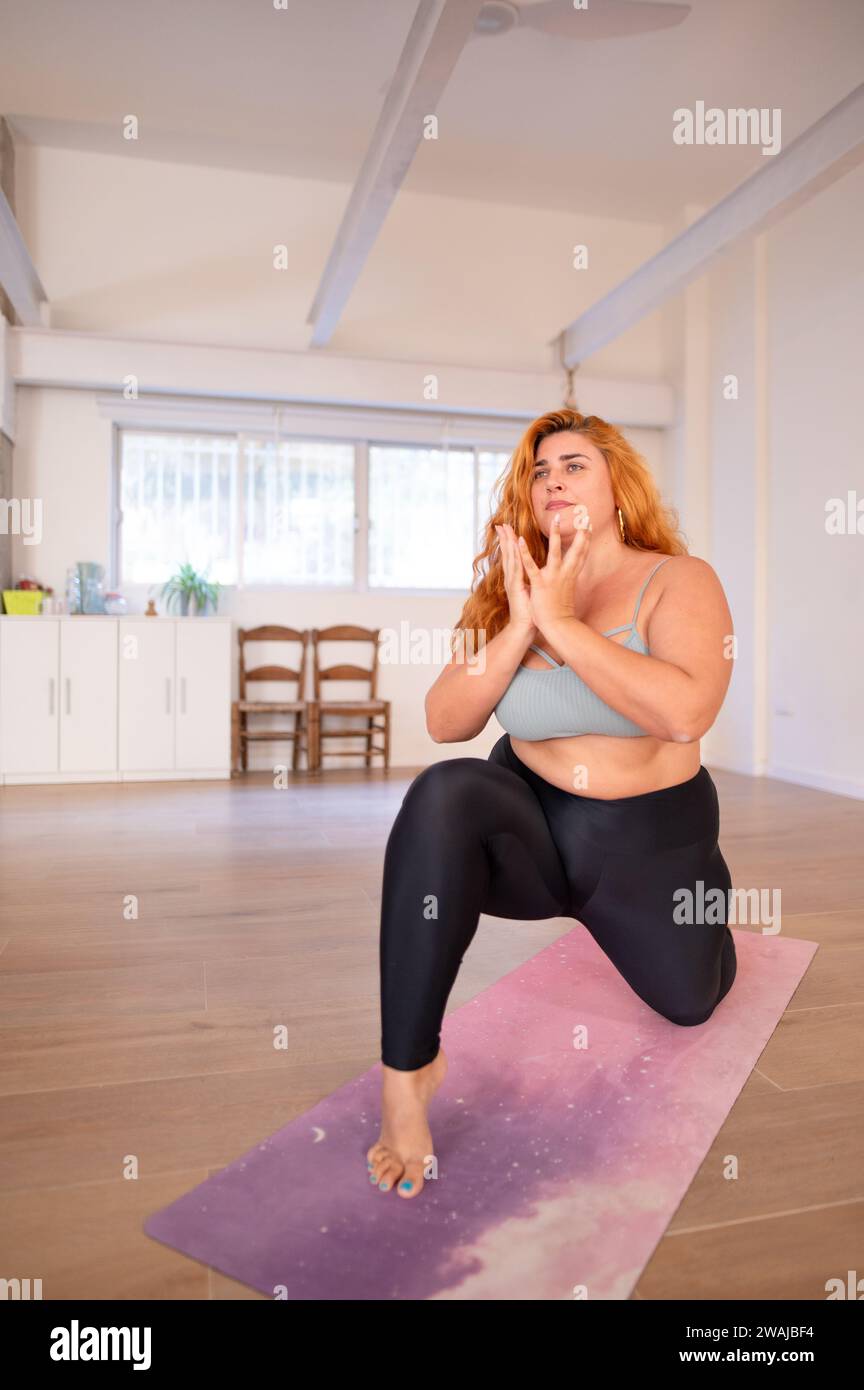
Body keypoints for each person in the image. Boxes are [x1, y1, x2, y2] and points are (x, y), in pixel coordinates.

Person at [367, 407, 737, 1200]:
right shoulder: (511, 589)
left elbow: (684, 713)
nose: (552, 481)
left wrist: (563, 625)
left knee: (690, 1005)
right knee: (445, 791)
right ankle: (408, 1071)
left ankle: (712, 900)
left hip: (648, 846)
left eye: (572, 464)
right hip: (530, 825)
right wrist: (522, 620)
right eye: (538, 471)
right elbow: (444, 723)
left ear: (616, 485)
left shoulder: (678, 578)